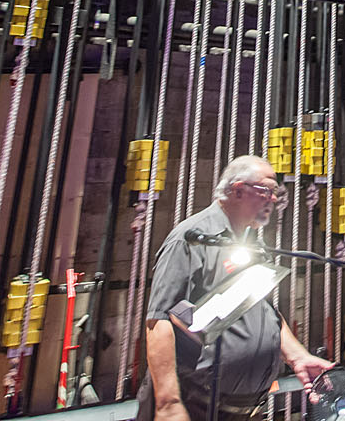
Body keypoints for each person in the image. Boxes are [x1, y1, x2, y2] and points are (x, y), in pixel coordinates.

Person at [139, 156, 332, 421]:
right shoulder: (192, 238)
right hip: (197, 406)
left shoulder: (252, 243)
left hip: (246, 409)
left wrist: (297, 356)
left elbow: (262, 311)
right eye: (267, 190)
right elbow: (158, 322)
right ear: (237, 190)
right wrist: (168, 403)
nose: (274, 199)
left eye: (276, 192)